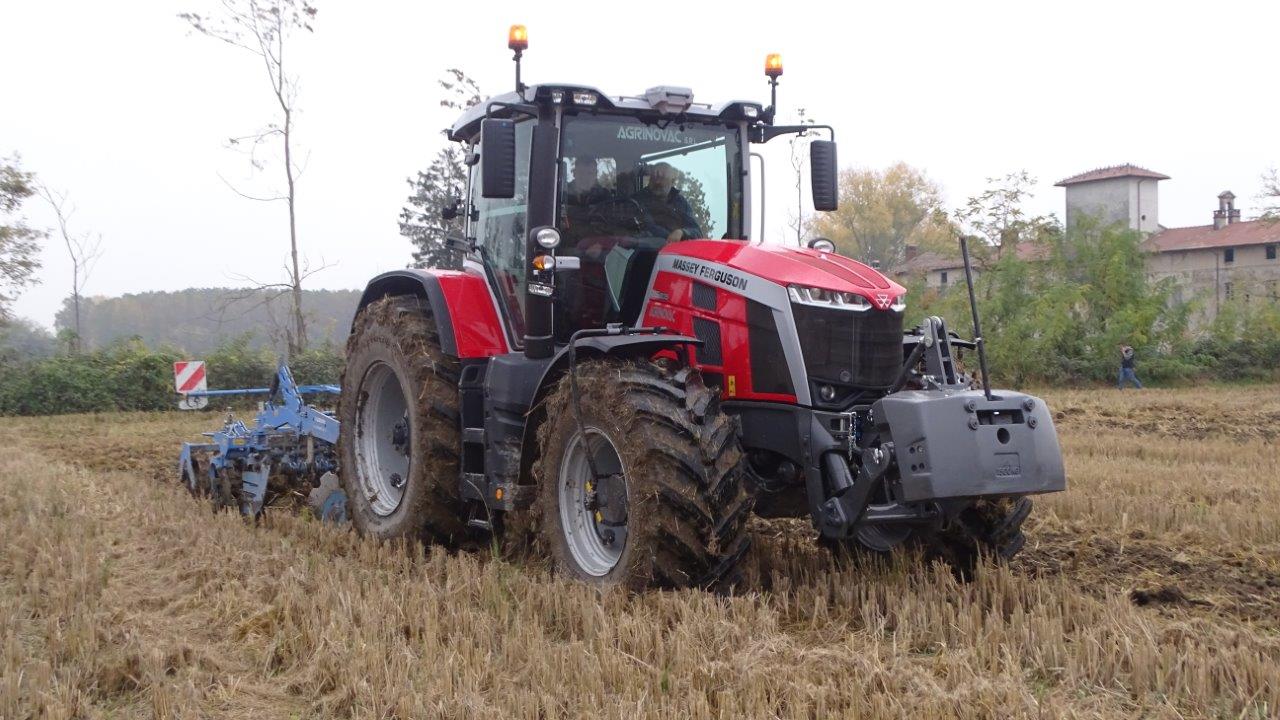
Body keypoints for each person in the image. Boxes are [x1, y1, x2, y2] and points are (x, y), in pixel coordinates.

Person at [634, 162, 703, 242]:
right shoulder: (638, 200)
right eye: (654, 178)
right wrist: (670, 236)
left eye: (662, 177)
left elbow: (697, 232)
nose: (657, 182)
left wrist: (682, 232)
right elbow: (647, 226)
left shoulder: (680, 202)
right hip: (644, 247)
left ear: (672, 181)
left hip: (676, 249)